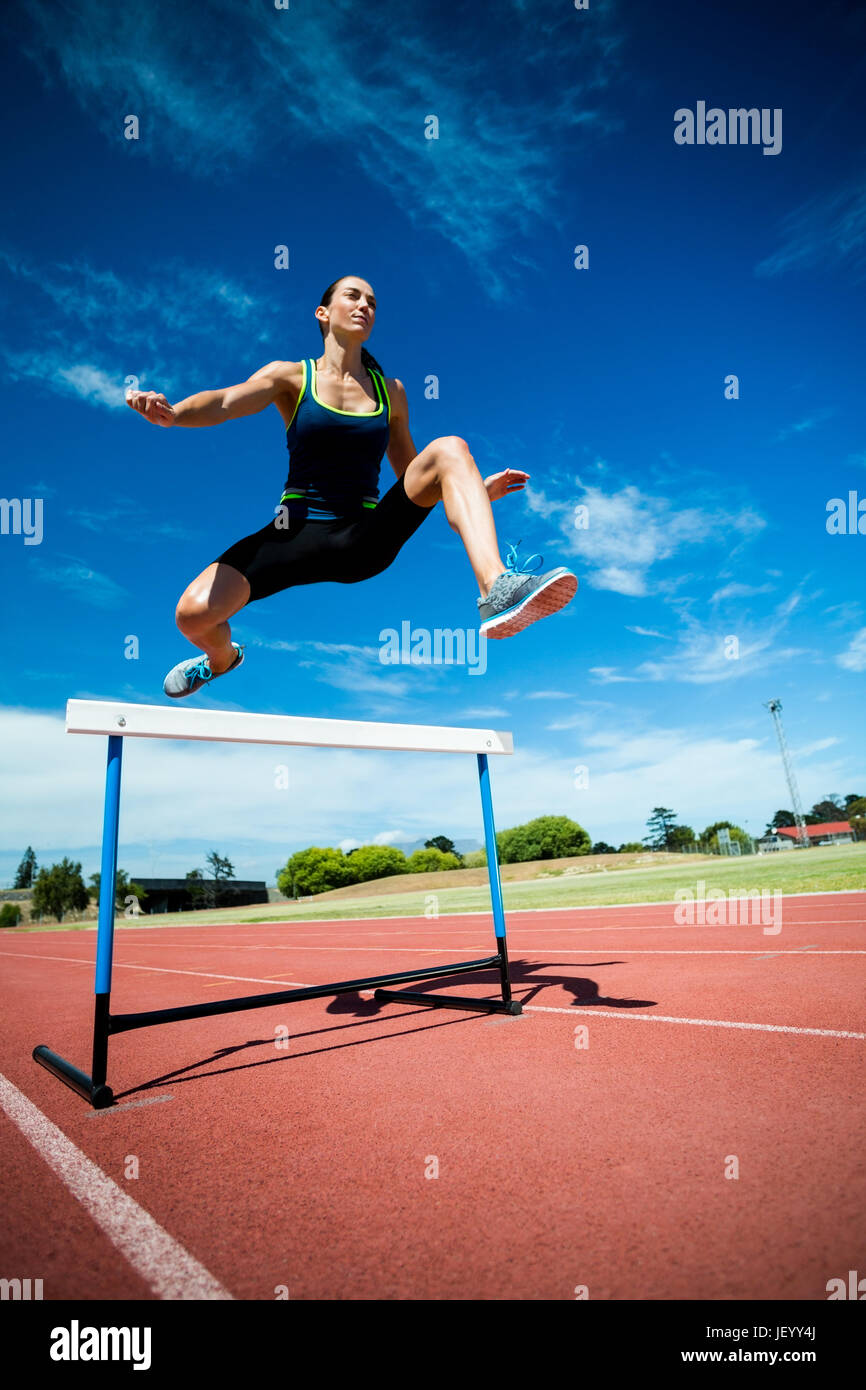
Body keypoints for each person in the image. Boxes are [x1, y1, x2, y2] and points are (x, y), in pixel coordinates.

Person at [126, 275, 578, 698]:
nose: (365, 305)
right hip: (293, 533)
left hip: (362, 539)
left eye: (372, 302)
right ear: (323, 313)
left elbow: (412, 475)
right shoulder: (290, 377)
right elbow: (225, 402)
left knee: (450, 449)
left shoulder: (392, 393)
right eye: (353, 296)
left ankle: (496, 589)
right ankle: (222, 659)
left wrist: (474, 487)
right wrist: (174, 413)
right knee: (191, 615)